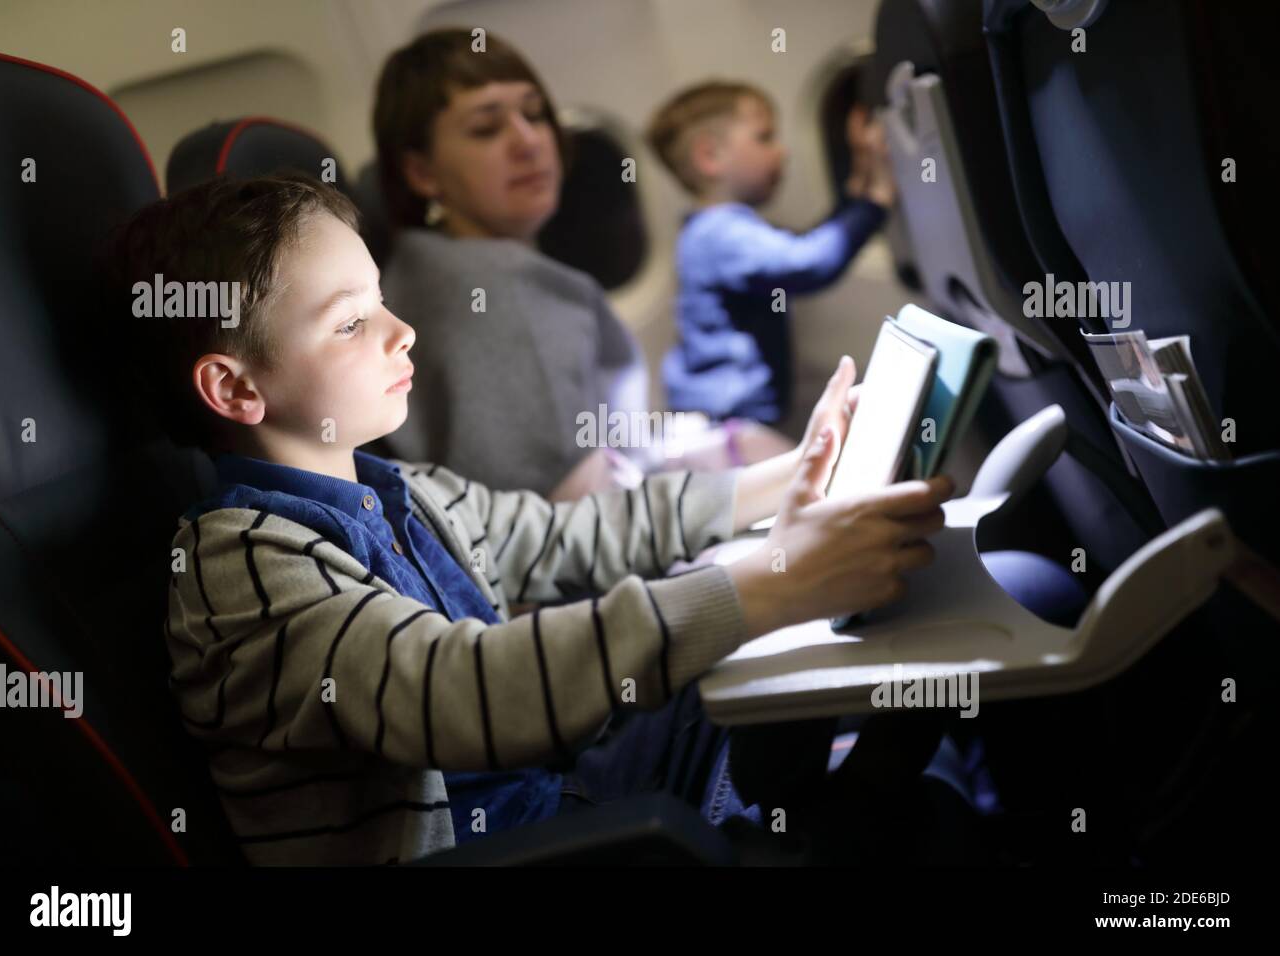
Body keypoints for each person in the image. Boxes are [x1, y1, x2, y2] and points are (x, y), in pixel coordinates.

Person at [111, 172, 955, 864]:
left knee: (809, 685)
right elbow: (464, 687)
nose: (402, 332)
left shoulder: (404, 491)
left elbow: (581, 536)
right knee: (894, 813)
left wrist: (790, 476)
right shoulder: (241, 565)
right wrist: (775, 583)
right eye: (352, 321)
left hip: (558, 798)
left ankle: (841, 818)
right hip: (509, 856)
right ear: (236, 390)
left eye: (383, 301)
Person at [371, 29, 794, 503]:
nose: (529, 142)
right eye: (487, 129)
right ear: (421, 172)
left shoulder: (435, 263)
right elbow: (570, 521)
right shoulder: (483, 294)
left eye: (534, 115)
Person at [646, 80, 895, 425]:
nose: (782, 151)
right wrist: (875, 203)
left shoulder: (713, 229)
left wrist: (857, 187)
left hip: (725, 415)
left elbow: (806, 248)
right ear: (710, 156)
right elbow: (808, 264)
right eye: (765, 137)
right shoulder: (721, 234)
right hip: (729, 422)